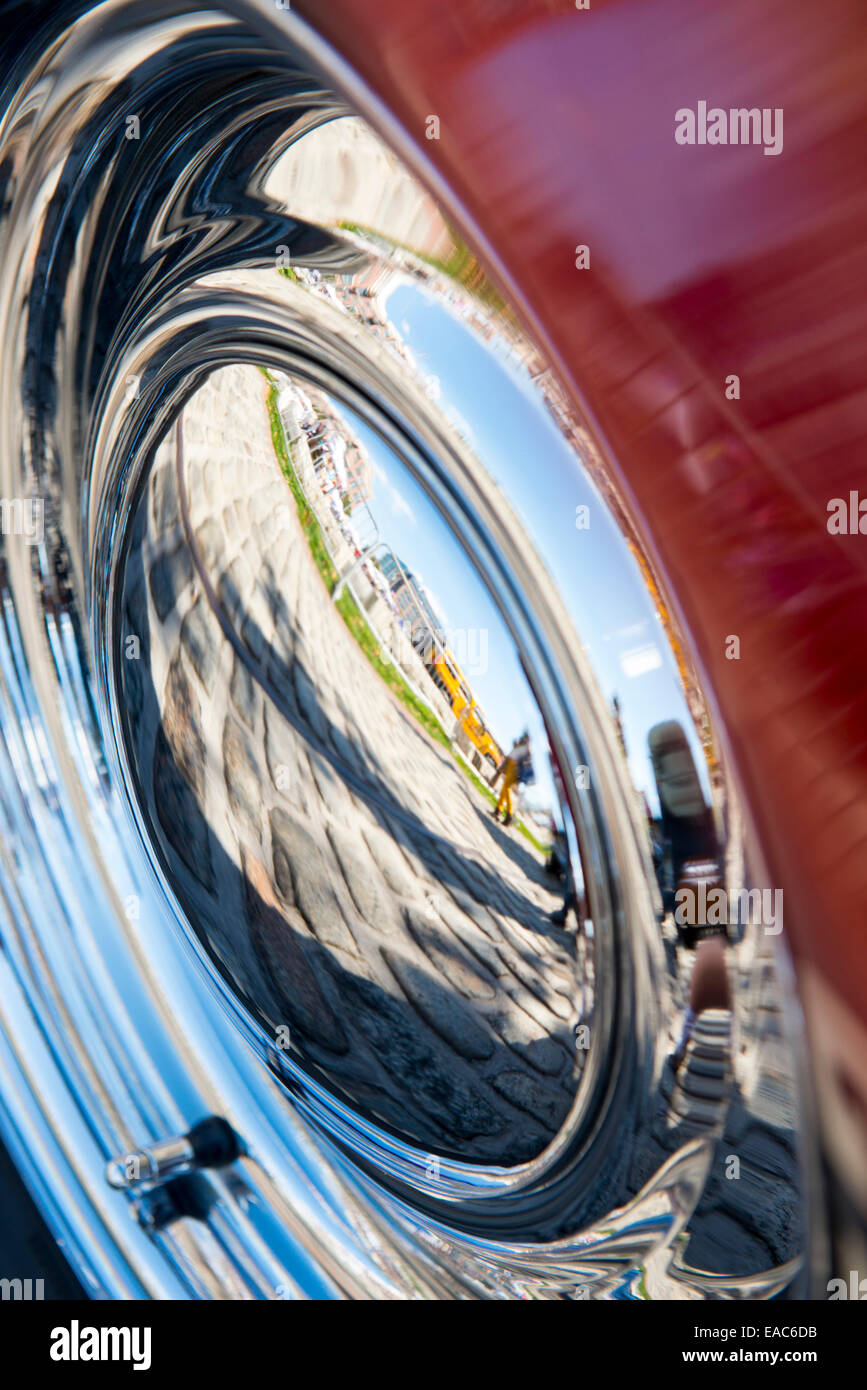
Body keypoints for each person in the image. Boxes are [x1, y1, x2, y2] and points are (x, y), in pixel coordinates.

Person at [492, 732, 532, 826]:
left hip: (514, 769)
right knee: (504, 789)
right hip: (510, 766)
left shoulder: (527, 749)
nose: (522, 738)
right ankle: (498, 810)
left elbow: (523, 760)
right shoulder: (520, 746)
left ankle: (509, 815)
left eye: (524, 737)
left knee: (506, 789)